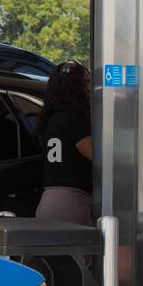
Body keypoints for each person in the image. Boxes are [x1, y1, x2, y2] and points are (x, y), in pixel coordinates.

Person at [34, 61, 94, 224]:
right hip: (72, 202)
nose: (89, 89)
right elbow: (95, 155)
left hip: (48, 200)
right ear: (75, 87)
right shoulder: (74, 119)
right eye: (86, 83)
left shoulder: (50, 120)